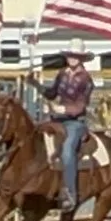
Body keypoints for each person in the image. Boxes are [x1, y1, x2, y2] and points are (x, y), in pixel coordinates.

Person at [34, 47, 94, 211]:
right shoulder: (62, 74)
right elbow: (51, 94)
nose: (72, 58)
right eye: (70, 55)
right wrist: (36, 85)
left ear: (81, 58)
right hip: (57, 119)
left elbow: (81, 105)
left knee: (68, 150)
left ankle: (70, 194)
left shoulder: (86, 80)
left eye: (76, 56)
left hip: (75, 122)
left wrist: (63, 110)